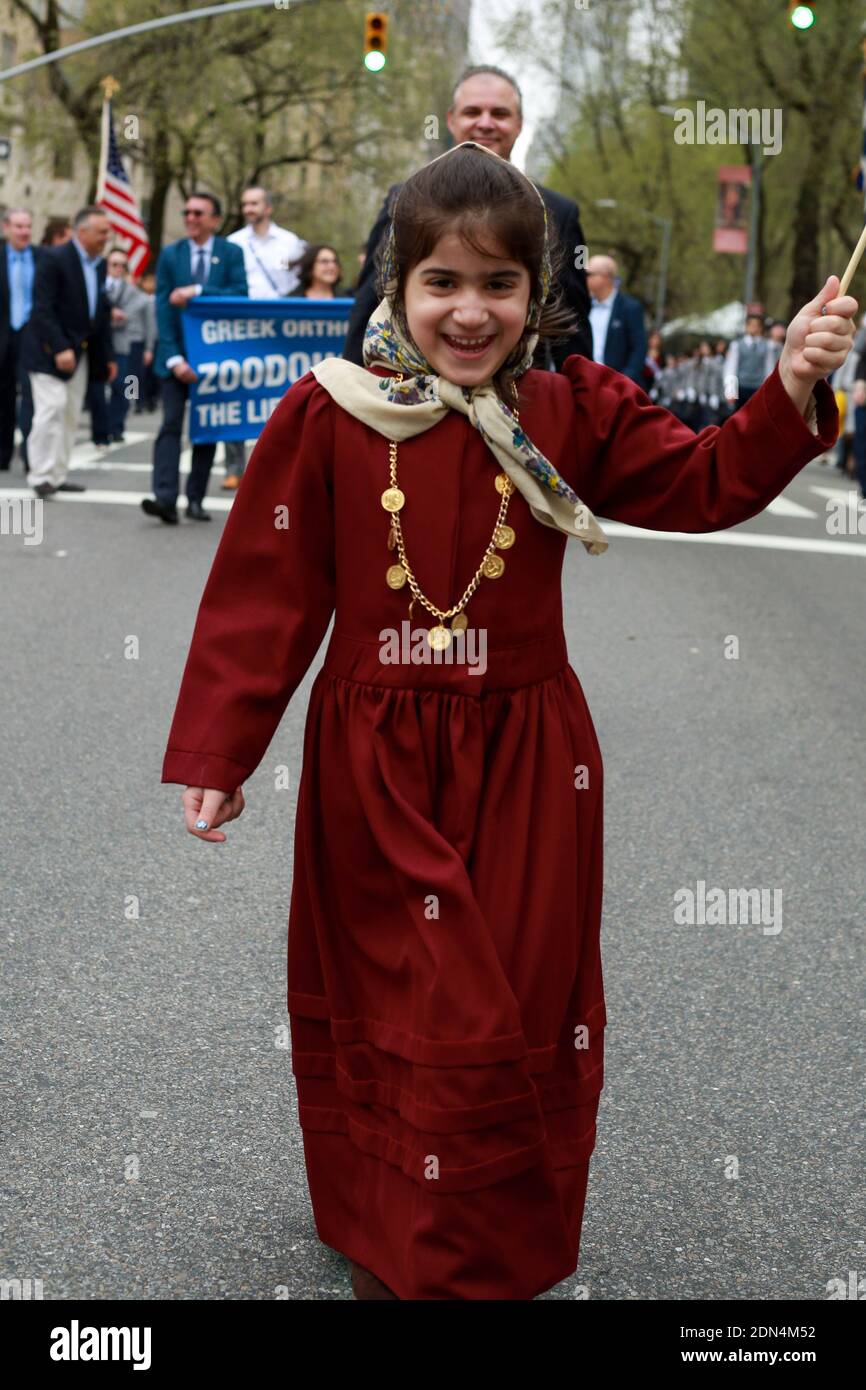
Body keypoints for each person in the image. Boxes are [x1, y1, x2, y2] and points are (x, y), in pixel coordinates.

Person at [158, 142, 854, 1301]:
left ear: (540, 295)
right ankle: (398, 1226)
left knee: (513, 997)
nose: (468, 311)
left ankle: (485, 1236)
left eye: (499, 284)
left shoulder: (568, 407)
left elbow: (700, 481)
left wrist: (785, 386)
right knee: (415, 994)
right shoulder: (325, 414)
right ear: (396, 286)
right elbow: (263, 595)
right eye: (441, 281)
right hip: (370, 762)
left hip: (531, 765)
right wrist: (221, 755)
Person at [343, 65, 593, 370]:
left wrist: (581, 405)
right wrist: (352, 388)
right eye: (472, 112)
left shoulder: (558, 212)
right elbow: (369, 305)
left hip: (521, 402)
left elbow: (573, 326)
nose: (485, 123)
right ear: (451, 120)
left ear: (519, 124)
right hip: (413, 400)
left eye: (499, 114)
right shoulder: (403, 199)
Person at [142, 192, 247, 525]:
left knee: (207, 429)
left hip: (214, 360)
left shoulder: (231, 253)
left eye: (198, 213)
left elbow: (240, 294)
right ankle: (165, 498)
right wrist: (173, 357)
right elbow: (163, 306)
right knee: (170, 426)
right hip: (176, 359)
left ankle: (197, 500)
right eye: (187, 212)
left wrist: (198, 292)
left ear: (214, 219)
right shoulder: (172, 255)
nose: (190, 218)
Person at [22, 205, 116, 498]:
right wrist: (60, 347)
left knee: (70, 414)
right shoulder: (54, 258)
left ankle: (57, 474)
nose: (106, 237)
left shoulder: (99, 265)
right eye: (101, 232)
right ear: (82, 231)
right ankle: (40, 475)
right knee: (51, 410)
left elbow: (99, 314)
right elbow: (42, 308)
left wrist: (108, 356)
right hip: (48, 352)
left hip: (83, 354)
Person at [222, 186, 307, 490]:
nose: (249, 208)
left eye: (255, 203)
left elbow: (301, 285)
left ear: (268, 207)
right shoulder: (232, 244)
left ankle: (275, 467)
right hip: (242, 329)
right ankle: (234, 467)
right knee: (235, 392)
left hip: (280, 332)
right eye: (245, 203)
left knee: (279, 396)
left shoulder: (290, 243)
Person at [0, 207, 44, 475]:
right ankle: (2, 455)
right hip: (3, 338)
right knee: (2, 400)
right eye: (18, 226)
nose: (24, 231)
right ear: (6, 228)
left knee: (32, 399)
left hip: (32, 338)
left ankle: (32, 458)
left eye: (28, 226)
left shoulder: (43, 258)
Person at [101, 247, 155, 441]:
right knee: (107, 388)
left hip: (131, 345)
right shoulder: (98, 287)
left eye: (122, 265)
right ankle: (105, 426)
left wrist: (148, 348)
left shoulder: (137, 295)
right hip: (104, 344)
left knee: (128, 386)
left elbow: (149, 324)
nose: (118, 269)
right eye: (114, 264)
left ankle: (120, 423)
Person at [585, 253, 647, 384]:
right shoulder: (585, 307)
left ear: (605, 277)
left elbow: (639, 349)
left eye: (589, 274)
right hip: (586, 382)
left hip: (615, 387)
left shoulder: (630, 308)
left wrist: (623, 381)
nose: (585, 278)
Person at [723, 313, 775, 412]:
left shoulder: (768, 346)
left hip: (758, 388)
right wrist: (730, 391)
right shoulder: (737, 345)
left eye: (756, 325)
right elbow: (731, 367)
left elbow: (769, 369)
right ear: (746, 326)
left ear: (760, 328)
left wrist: (768, 390)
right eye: (750, 325)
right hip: (741, 387)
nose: (753, 328)